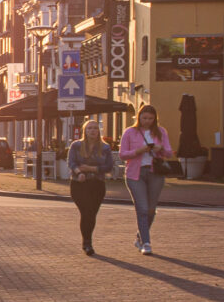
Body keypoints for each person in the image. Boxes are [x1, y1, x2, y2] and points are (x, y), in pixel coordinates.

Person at [118, 104, 173, 254]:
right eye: (144, 118)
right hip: (135, 174)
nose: (147, 121)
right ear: (139, 117)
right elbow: (122, 154)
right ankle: (146, 243)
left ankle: (140, 236)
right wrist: (139, 150)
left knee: (151, 209)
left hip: (155, 172)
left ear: (155, 118)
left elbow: (169, 153)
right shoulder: (129, 132)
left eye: (150, 118)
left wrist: (160, 149)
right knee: (141, 208)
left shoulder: (161, 132)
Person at [68, 124, 116, 255]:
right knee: (85, 212)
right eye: (89, 128)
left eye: (95, 128)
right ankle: (87, 242)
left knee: (92, 213)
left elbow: (109, 166)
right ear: (85, 130)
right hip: (79, 183)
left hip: (97, 184)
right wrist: (79, 172)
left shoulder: (105, 147)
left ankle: (87, 240)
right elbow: (71, 163)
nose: (92, 131)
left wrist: (91, 169)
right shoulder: (76, 145)